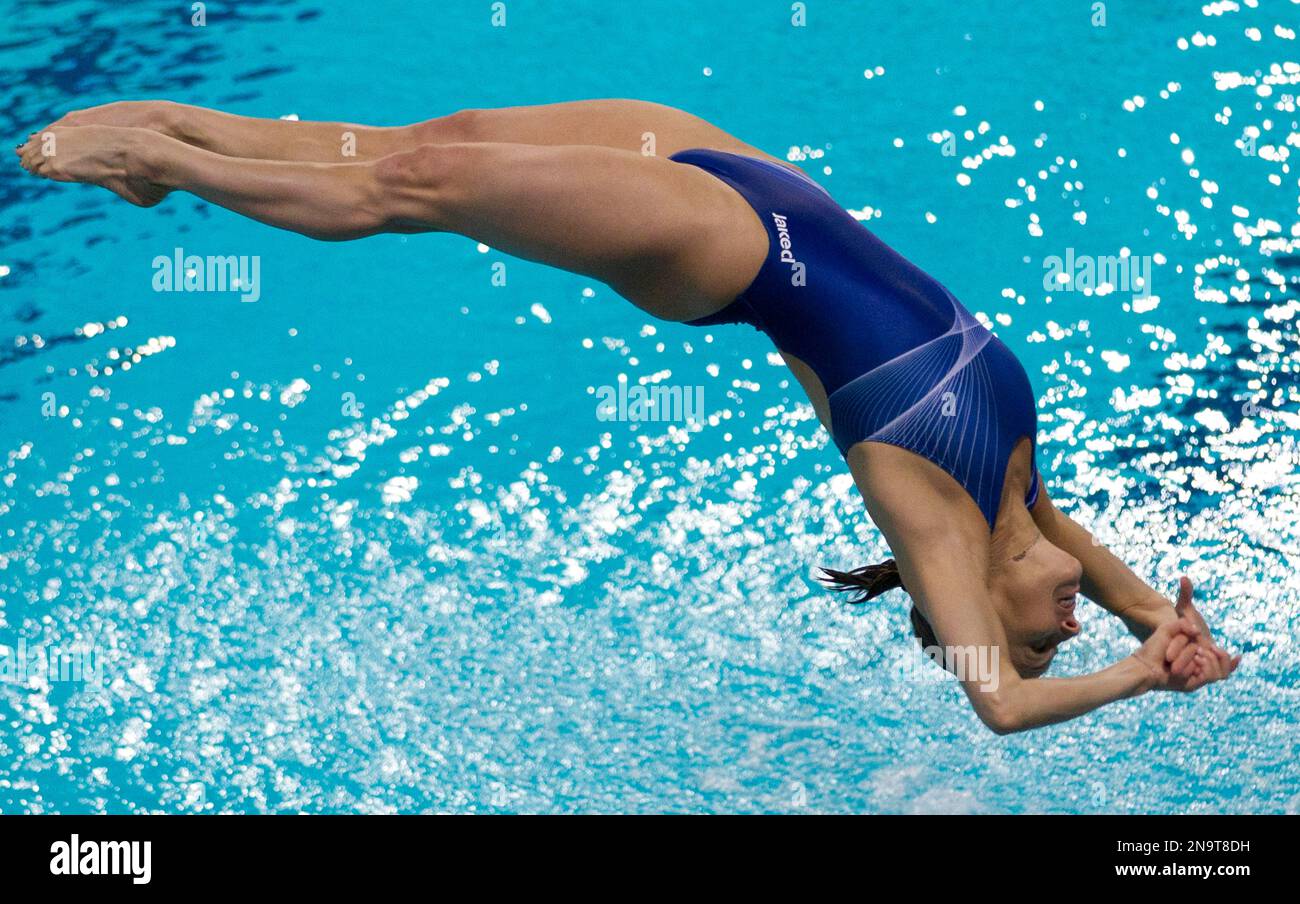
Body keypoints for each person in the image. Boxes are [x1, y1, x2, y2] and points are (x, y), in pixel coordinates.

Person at [17, 98, 1239, 733]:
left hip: (731, 254)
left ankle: (168, 169)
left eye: (1040, 632)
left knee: (419, 189)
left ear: (957, 603)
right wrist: (1167, 638)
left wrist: (1129, 678)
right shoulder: (1027, 506)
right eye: (1068, 629)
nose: (1065, 620)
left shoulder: (928, 517)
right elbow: (1121, 594)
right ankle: (175, 124)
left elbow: (1001, 704)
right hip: (764, 182)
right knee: (431, 142)